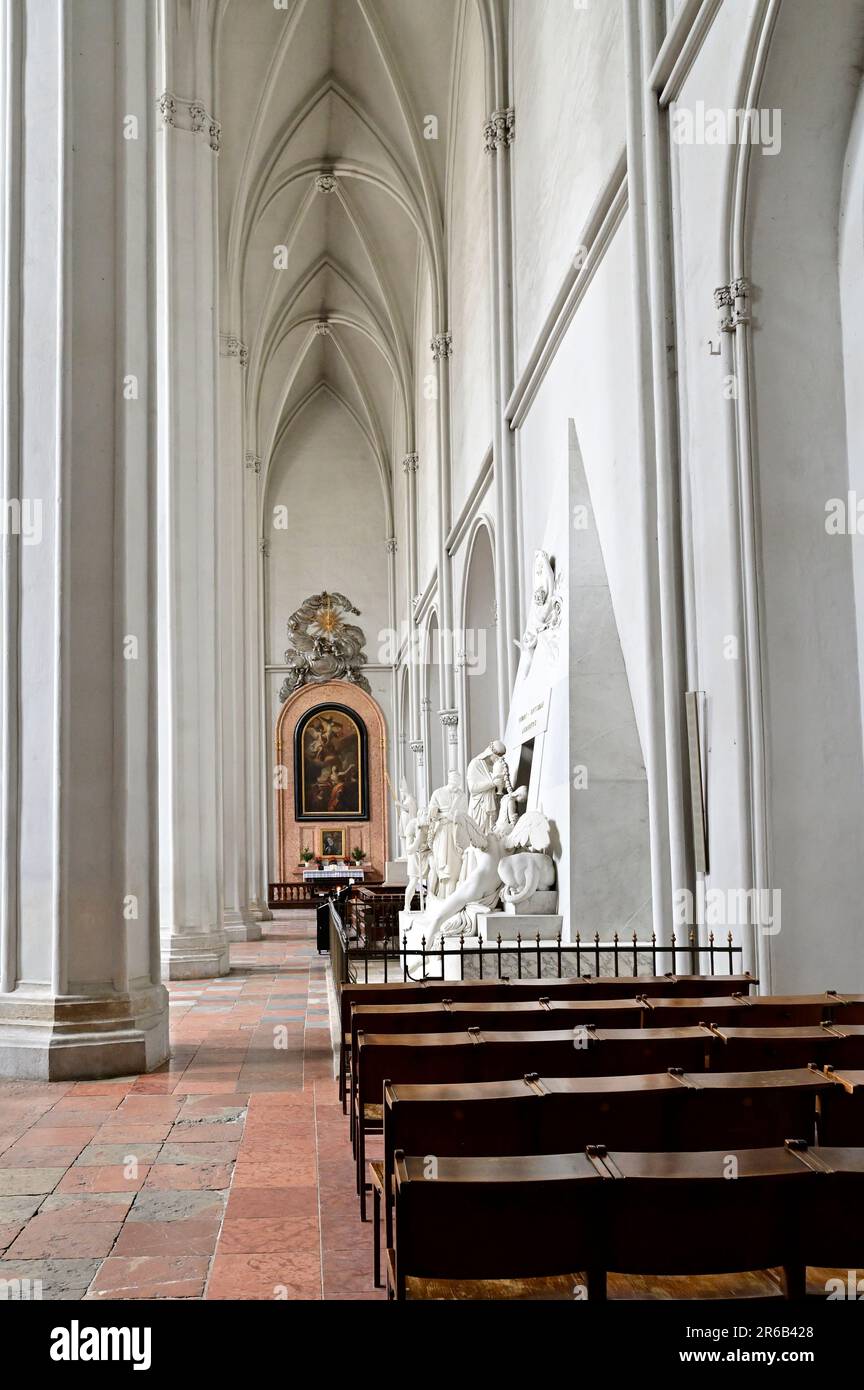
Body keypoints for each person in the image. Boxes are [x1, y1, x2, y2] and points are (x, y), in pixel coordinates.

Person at [426, 768, 469, 897]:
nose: (455, 782)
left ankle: (452, 896)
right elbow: (431, 813)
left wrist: (455, 816)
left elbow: (465, 814)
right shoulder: (438, 793)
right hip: (443, 832)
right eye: (453, 779)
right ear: (449, 779)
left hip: (456, 831)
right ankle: (440, 895)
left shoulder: (462, 796)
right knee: (442, 865)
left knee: (455, 866)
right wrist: (436, 813)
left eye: (458, 780)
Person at [466, 739, 509, 834]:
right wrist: (492, 783)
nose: (498, 760)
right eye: (497, 757)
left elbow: (497, 786)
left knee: (491, 836)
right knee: (479, 835)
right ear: (490, 752)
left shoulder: (494, 766)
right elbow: (472, 788)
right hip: (479, 807)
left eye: (500, 757)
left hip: (491, 803)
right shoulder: (475, 764)